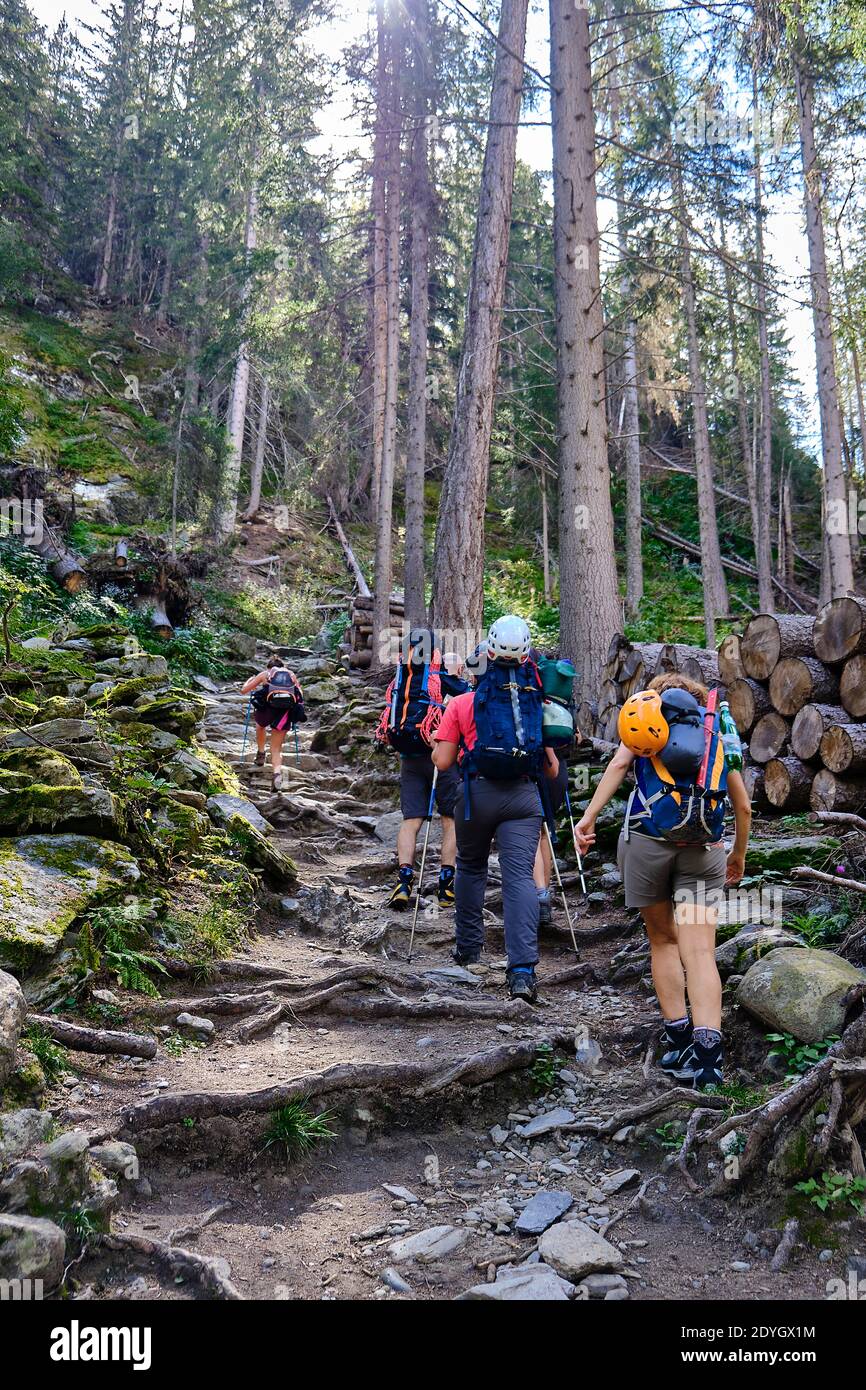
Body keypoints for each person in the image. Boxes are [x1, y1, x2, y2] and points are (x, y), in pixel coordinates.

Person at [574, 673, 751, 1090]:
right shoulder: (717, 734)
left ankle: (676, 1039)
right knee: (702, 952)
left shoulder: (645, 724)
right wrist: (739, 853)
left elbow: (619, 765)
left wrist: (589, 818)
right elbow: (742, 806)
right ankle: (708, 1059)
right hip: (704, 852)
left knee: (663, 941)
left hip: (648, 846)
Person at [432, 614, 560, 1003]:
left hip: (476, 796)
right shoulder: (538, 702)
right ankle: (521, 972)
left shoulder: (464, 703)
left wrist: (443, 742)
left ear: (486, 653)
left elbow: (442, 762)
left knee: (470, 866)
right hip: (523, 798)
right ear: (526, 658)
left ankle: (469, 949)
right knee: (519, 876)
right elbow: (552, 768)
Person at [378, 631, 470, 910]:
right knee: (449, 820)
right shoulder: (440, 678)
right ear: (435, 653)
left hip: (408, 756)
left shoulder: (399, 680)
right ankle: (445, 886)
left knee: (411, 820)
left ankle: (404, 880)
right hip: (440, 755)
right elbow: (469, 698)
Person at [240, 657, 305, 791]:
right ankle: (276, 775)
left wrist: (249, 681)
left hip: (266, 710)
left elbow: (244, 690)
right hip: (284, 712)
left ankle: (261, 753)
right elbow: (301, 695)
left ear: (269, 667)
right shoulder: (291, 676)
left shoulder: (265, 674)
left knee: (260, 726)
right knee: (276, 748)